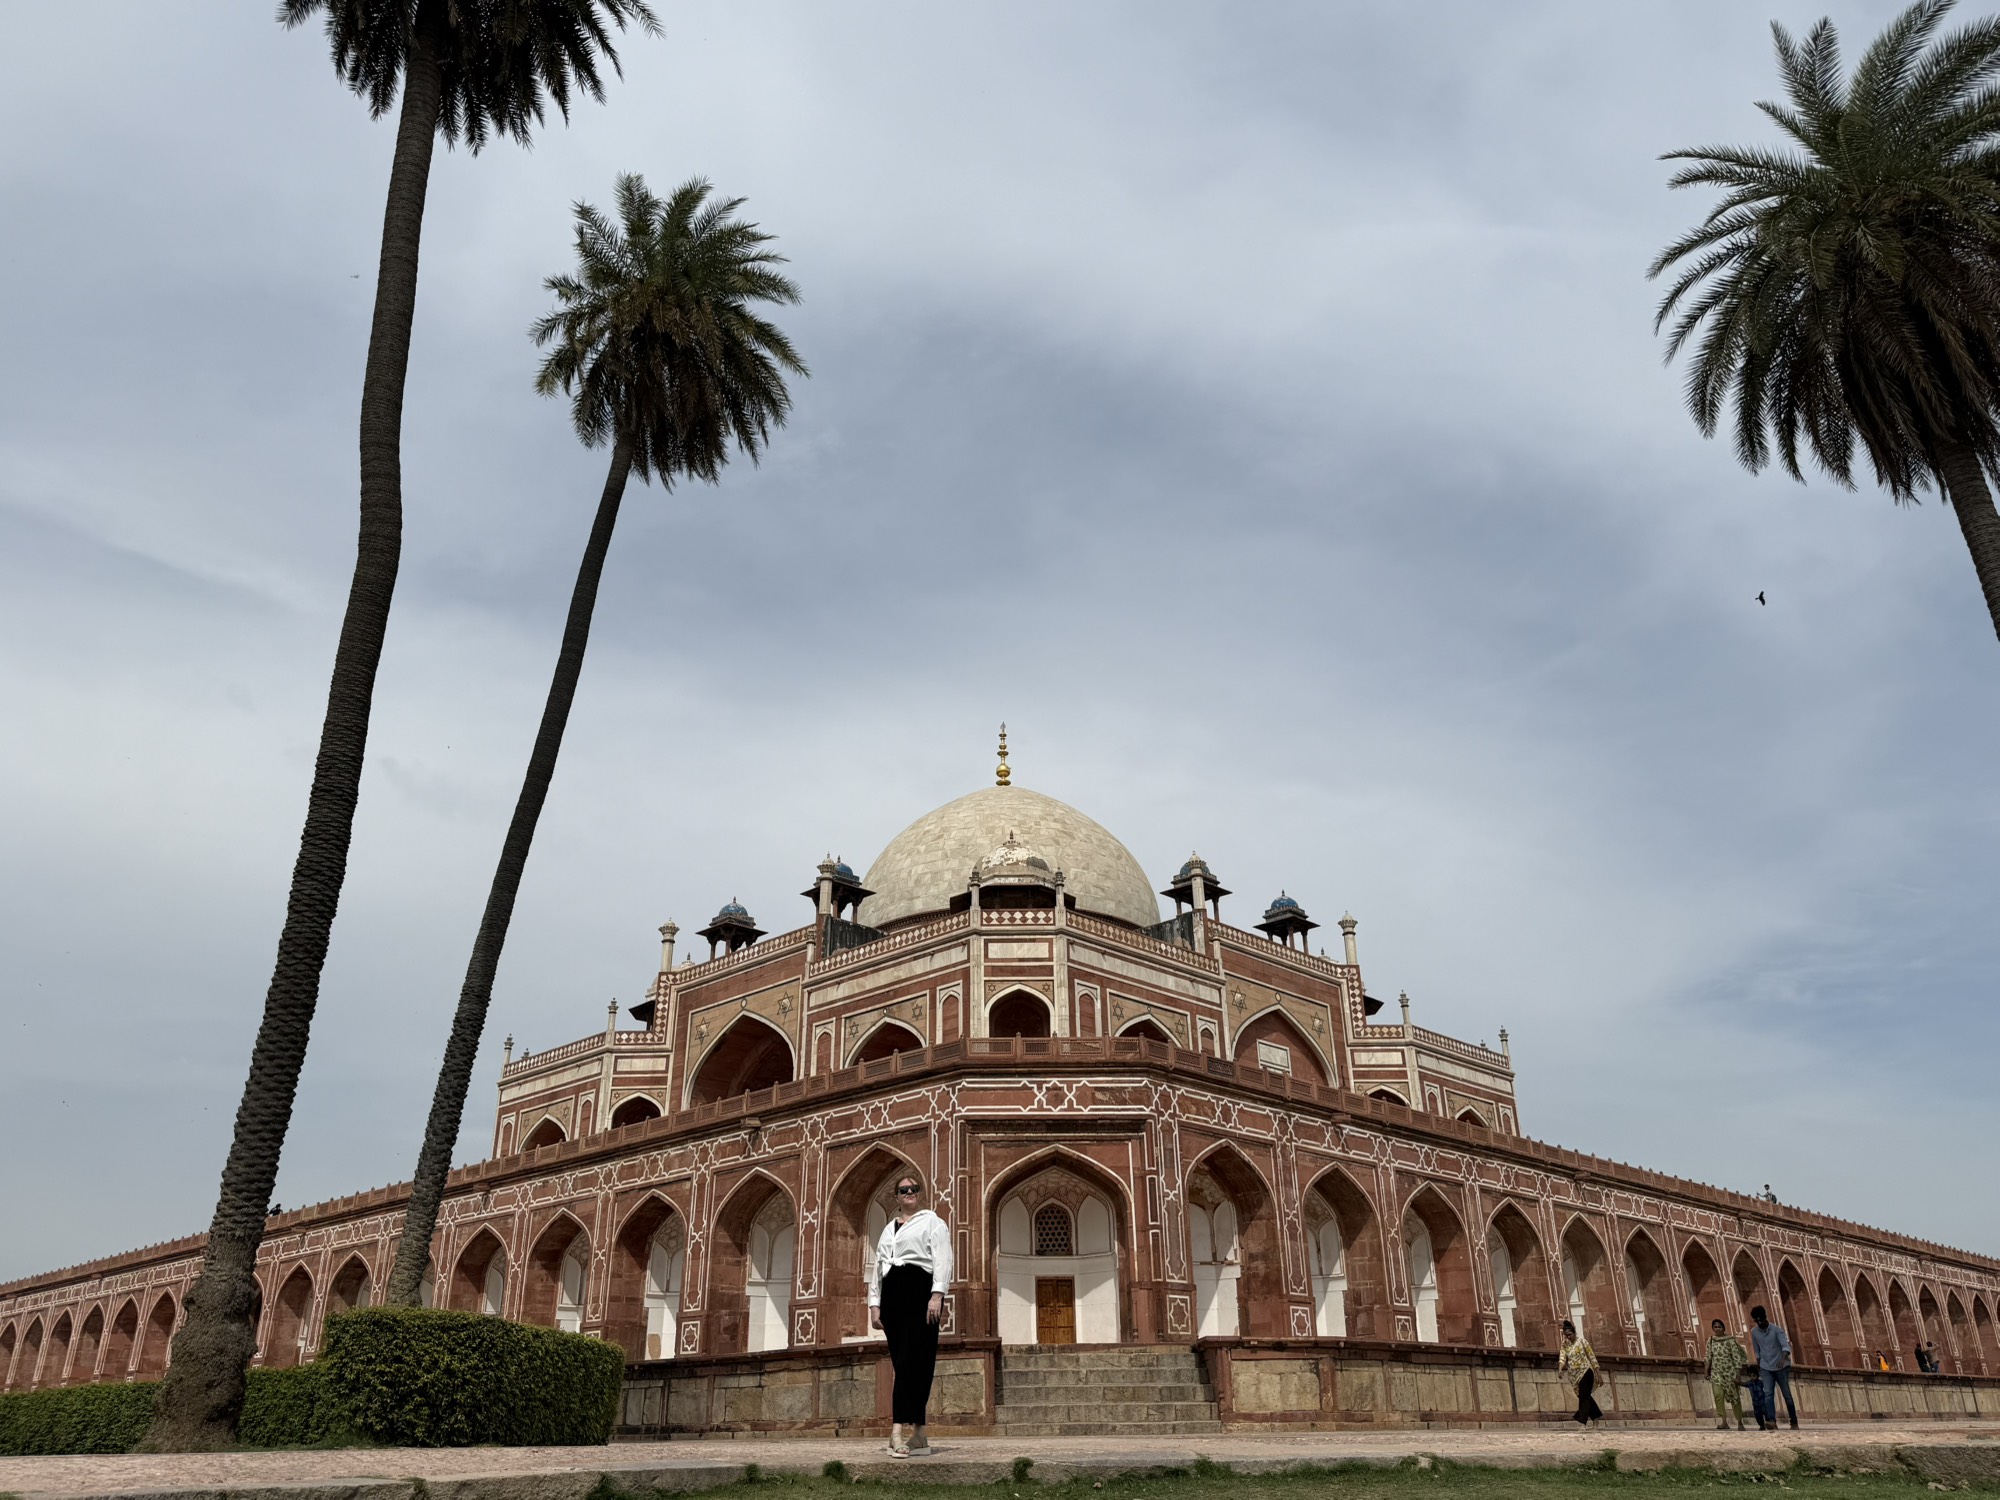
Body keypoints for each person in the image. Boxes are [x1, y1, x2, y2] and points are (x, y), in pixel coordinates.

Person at [867, 1172, 953, 1457]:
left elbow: (943, 1258)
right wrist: (874, 1304)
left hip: (920, 1293)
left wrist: (937, 1295)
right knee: (902, 1362)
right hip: (893, 1297)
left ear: (920, 1193)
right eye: (904, 1190)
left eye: (914, 1188)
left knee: (920, 1363)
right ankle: (914, 1435)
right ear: (896, 1196)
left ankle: (902, 1433)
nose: (909, 1192)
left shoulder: (932, 1222)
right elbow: (879, 1267)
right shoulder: (888, 1229)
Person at [1749, 1305, 1798, 1430]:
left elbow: (1785, 1346)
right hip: (1766, 1366)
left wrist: (1783, 1359)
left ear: (1765, 1317)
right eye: (1757, 1321)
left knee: (1786, 1394)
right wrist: (1759, 1365)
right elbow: (1757, 1350)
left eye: (1761, 1320)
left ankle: (1793, 1421)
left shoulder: (1776, 1330)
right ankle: (1771, 1420)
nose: (1760, 1323)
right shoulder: (1754, 1332)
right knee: (1768, 1394)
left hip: (1781, 1366)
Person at [1704, 1318, 1749, 1430]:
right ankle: (1724, 1421)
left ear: (1723, 1328)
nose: (1717, 1329)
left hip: (1730, 1372)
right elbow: (1708, 1356)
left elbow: (1736, 1357)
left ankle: (1740, 1422)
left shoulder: (1730, 1340)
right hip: (1716, 1372)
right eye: (1715, 1327)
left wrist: (1738, 1374)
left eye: (1719, 1327)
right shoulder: (1711, 1340)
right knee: (1718, 1395)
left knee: (1734, 1397)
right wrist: (1706, 1370)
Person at [1558, 1319, 1602, 1426]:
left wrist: (1598, 1374)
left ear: (1574, 1333)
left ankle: (1582, 1422)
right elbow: (1562, 1357)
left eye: (1570, 1334)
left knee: (1584, 1395)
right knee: (1584, 1396)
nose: (1568, 1337)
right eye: (1566, 1335)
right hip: (1574, 1375)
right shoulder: (1565, 1344)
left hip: (1586, 1371)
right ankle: (1595, 1417)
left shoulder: (1582, 1342)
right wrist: (1560, 1369)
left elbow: (1592, 1357)